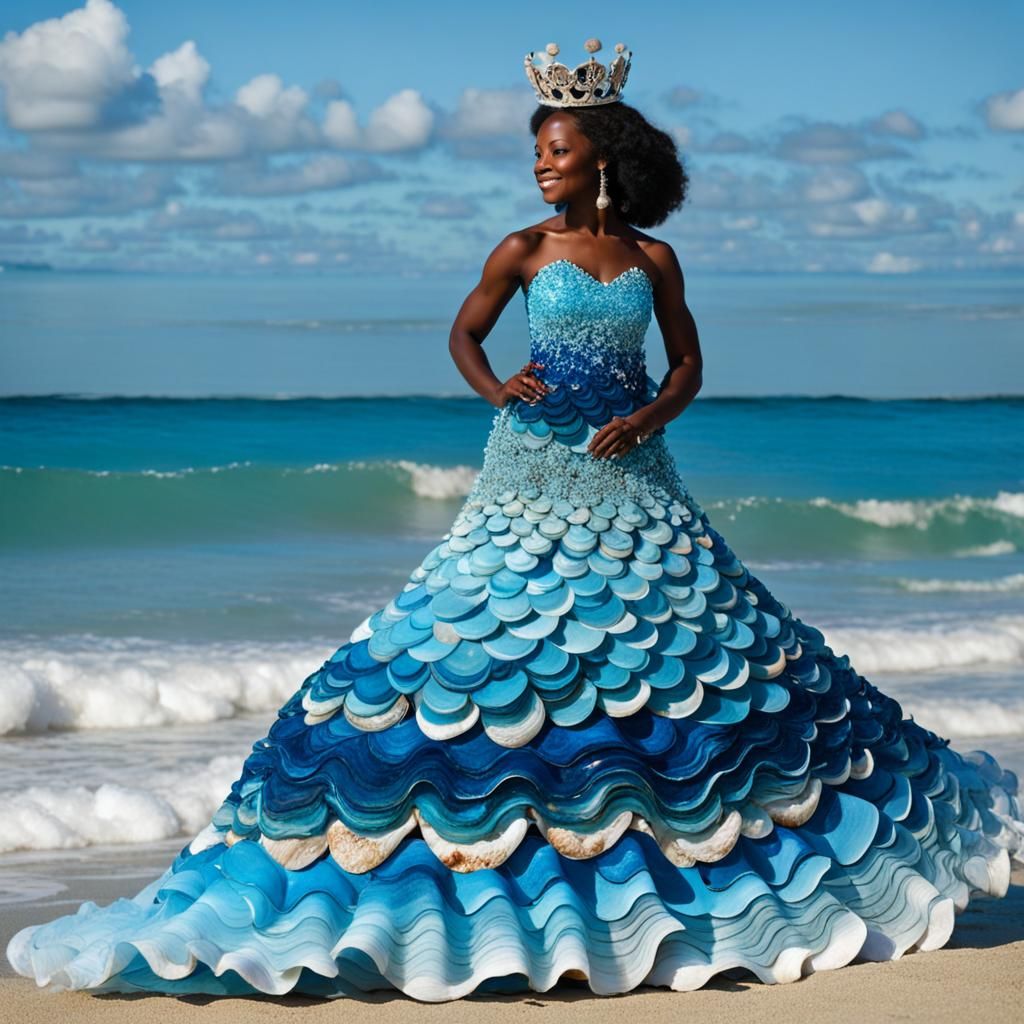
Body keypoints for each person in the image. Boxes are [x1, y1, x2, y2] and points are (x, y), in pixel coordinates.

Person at [7, 37, 1024, 1003]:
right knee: (487, 653)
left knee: (692, 648)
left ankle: (667, 867)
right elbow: (461, 329)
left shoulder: (654, 259)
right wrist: (499, 390)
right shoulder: (521, 248)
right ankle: (491, 872)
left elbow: (688, 366)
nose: (541, 165)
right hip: (527, 476)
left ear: (601, 157)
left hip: (634, 478)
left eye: (557, 148)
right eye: (534, 149)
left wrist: (647, 415)